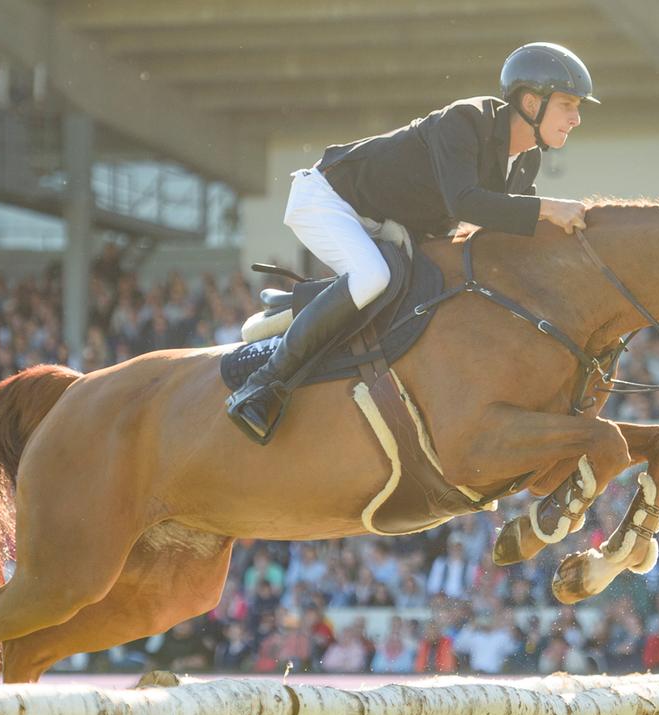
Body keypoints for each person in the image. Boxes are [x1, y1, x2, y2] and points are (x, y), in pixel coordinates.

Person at [226, 42, 597, 441]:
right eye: (567, 105)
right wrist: (547, 207)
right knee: (371, 277)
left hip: (390, 223)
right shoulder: (466, 120)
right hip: (331, 198)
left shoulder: (527, 161)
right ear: (530, 101)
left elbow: (502, 229)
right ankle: (262, 385)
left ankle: (302, 306)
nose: (576, 118)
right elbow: (465, 202)